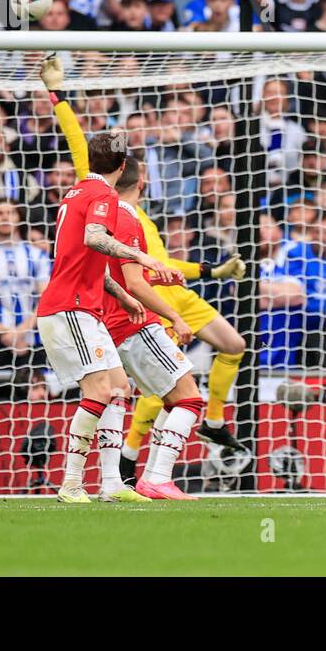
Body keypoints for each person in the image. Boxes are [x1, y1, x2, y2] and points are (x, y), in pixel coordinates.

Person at [41, 57, 250, 477]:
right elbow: (79, 145)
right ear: (135, 176)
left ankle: (202, 427)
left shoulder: (136, 217)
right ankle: (134, 464)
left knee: (229, 348)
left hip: (167, 299)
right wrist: (58, 96)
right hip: (141, 305)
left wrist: (208, 273)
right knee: (160, 389)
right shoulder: (106, 204)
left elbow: (163, 264)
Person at [35, 127, 183, 504]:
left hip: (81, 306)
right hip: (70, 307)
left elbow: (91, 264)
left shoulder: (75, 193)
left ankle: (112, 483)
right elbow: (95, 239)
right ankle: (70, 483)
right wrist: (142, 256)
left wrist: (123, 295)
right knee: (101, 390)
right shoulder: (102, 194)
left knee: (119, 386)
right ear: (122, 165)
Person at [104, 154, 206, 501]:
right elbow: (133, 283)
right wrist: (176, 317)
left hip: (113, 325)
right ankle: (157, 477)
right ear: (142, 184)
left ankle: (145, 478)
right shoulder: (129, 219)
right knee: (190, 399)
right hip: (134, 324)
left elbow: (126, 275)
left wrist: (163, 275)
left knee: (169, 399)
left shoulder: (103, 217)